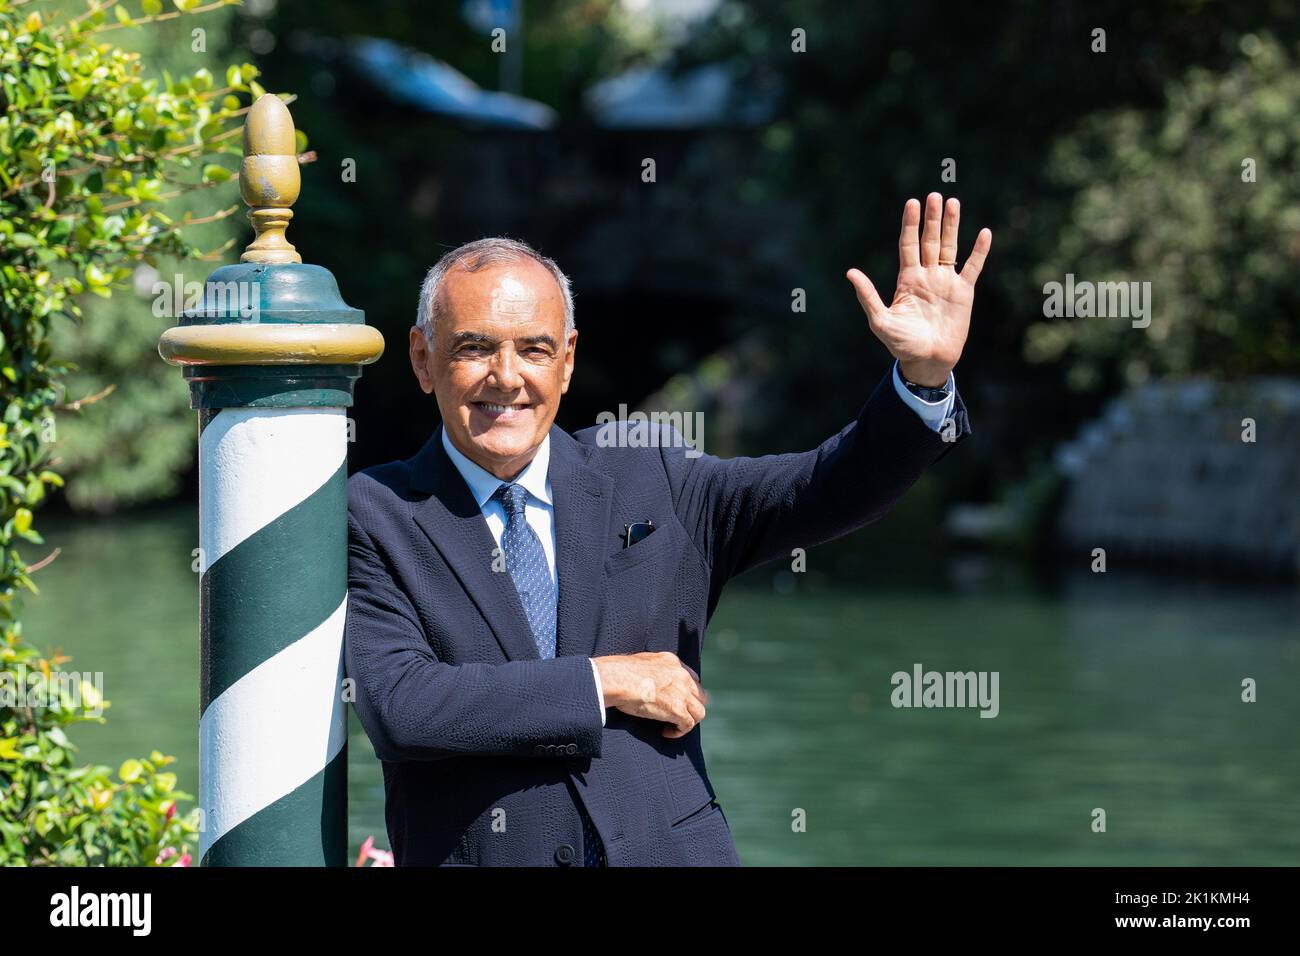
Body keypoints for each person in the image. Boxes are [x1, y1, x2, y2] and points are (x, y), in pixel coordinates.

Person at [344, 193, 992, 865]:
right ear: (423, 359)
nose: (506, 378)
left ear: (567, 360)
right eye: (474, 348)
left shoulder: (649, 469)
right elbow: (402, 706)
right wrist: (606, 681)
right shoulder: (376, 511)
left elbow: (825, 487)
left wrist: (922, 379)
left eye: (534, 350)